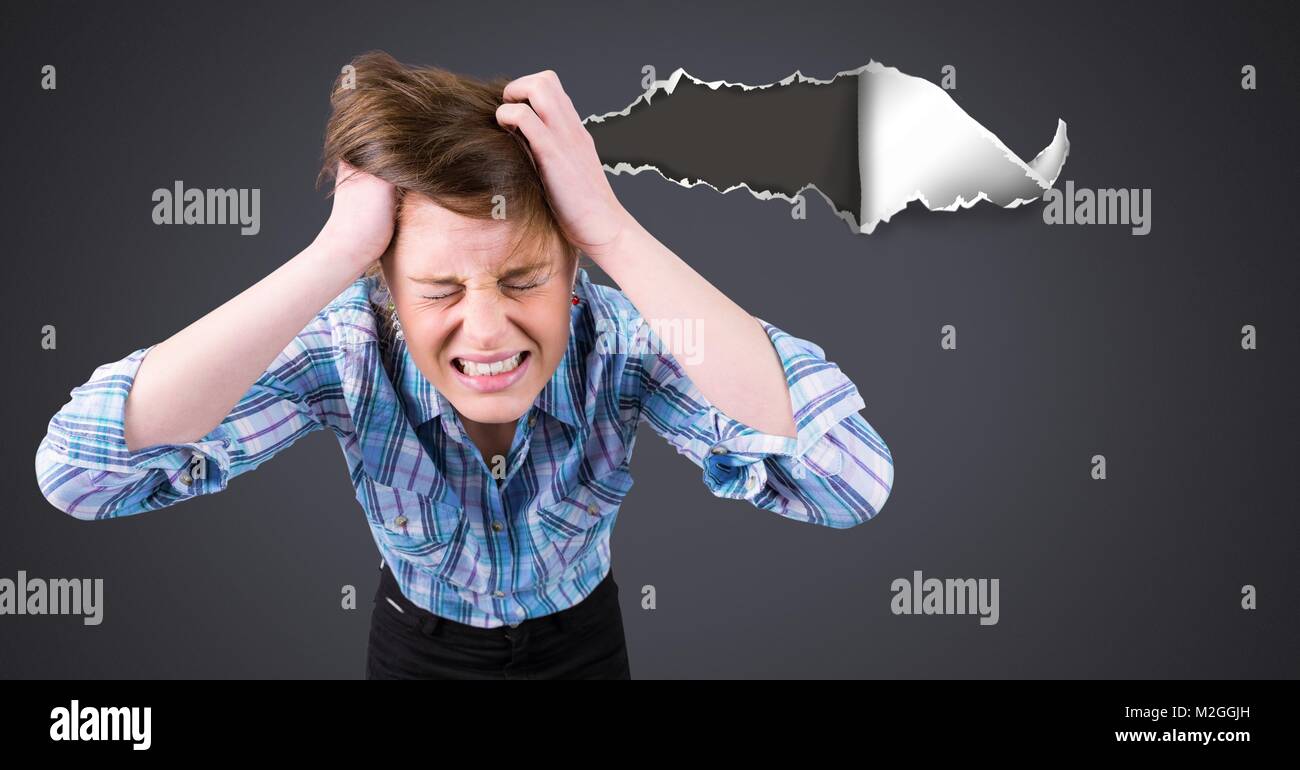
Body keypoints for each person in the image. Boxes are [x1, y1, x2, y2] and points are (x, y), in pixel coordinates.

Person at [33, 51, 895, 680]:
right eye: (438, 288)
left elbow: (847, 479)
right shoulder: (349, 348)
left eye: (524, 278)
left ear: (572, 272)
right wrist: (333, 253)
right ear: (383, 289)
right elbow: (79, 473)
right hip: (418, 654)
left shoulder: (622, 338)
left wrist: (613, 231)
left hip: (583, 648)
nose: (486, 332)